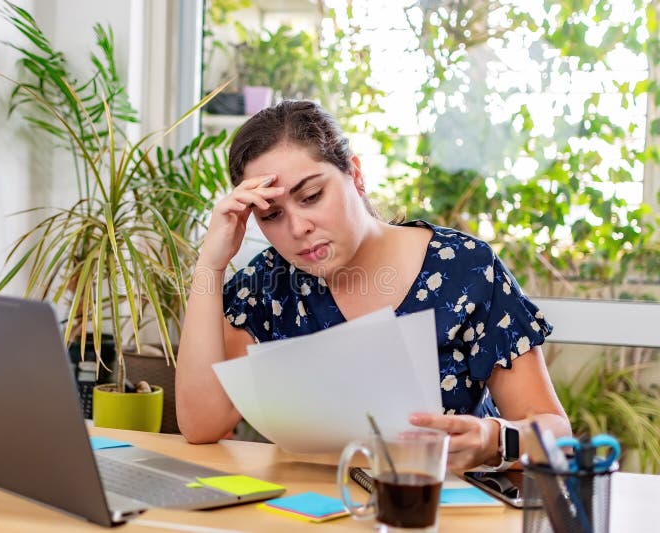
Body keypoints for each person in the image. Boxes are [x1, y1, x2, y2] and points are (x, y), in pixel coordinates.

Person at [175, 100, 571, 470]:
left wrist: (495, 438)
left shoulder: (466, 269)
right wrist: (210, 266)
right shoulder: (268, 283)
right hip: (313, 513)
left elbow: (556, 432)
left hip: (436, 512)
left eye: (312, 196)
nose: (297, 229)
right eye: (272, 214)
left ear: (356, 175)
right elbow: (201, 423)